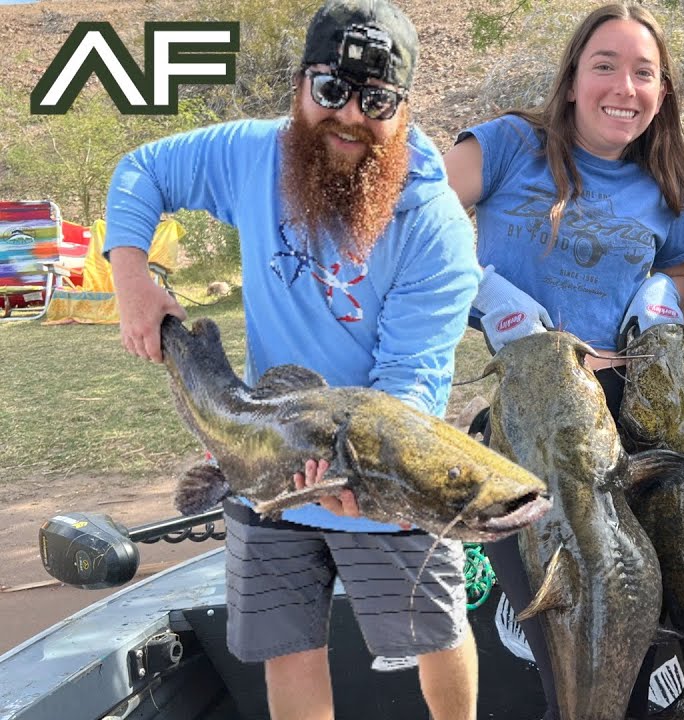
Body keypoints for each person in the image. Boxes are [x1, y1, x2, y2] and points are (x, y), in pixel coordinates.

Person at [104, 1, 483, 718]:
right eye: (332, 90)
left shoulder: (433, 226)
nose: (350, 117)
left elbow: (410, 381)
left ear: (404, 110)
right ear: (300, 86)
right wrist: (131, 276)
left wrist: (359, 476)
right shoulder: (254, 155)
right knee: (289, 648)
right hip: (263, 454)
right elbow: (142, 168)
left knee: (436, 632)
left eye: (377, 101)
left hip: (380, 468)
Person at [442, 3, 684, 718]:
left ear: (662, 93)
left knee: (643, 642)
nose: (624, 85)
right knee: (567, 647)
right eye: (605, 66)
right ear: (570, 81)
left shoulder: (663, 185)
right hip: (524, 423)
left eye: (643, 73)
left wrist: (662, 297)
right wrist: (480, 290)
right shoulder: (506, 145)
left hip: (627, 424)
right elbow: (413, 215)